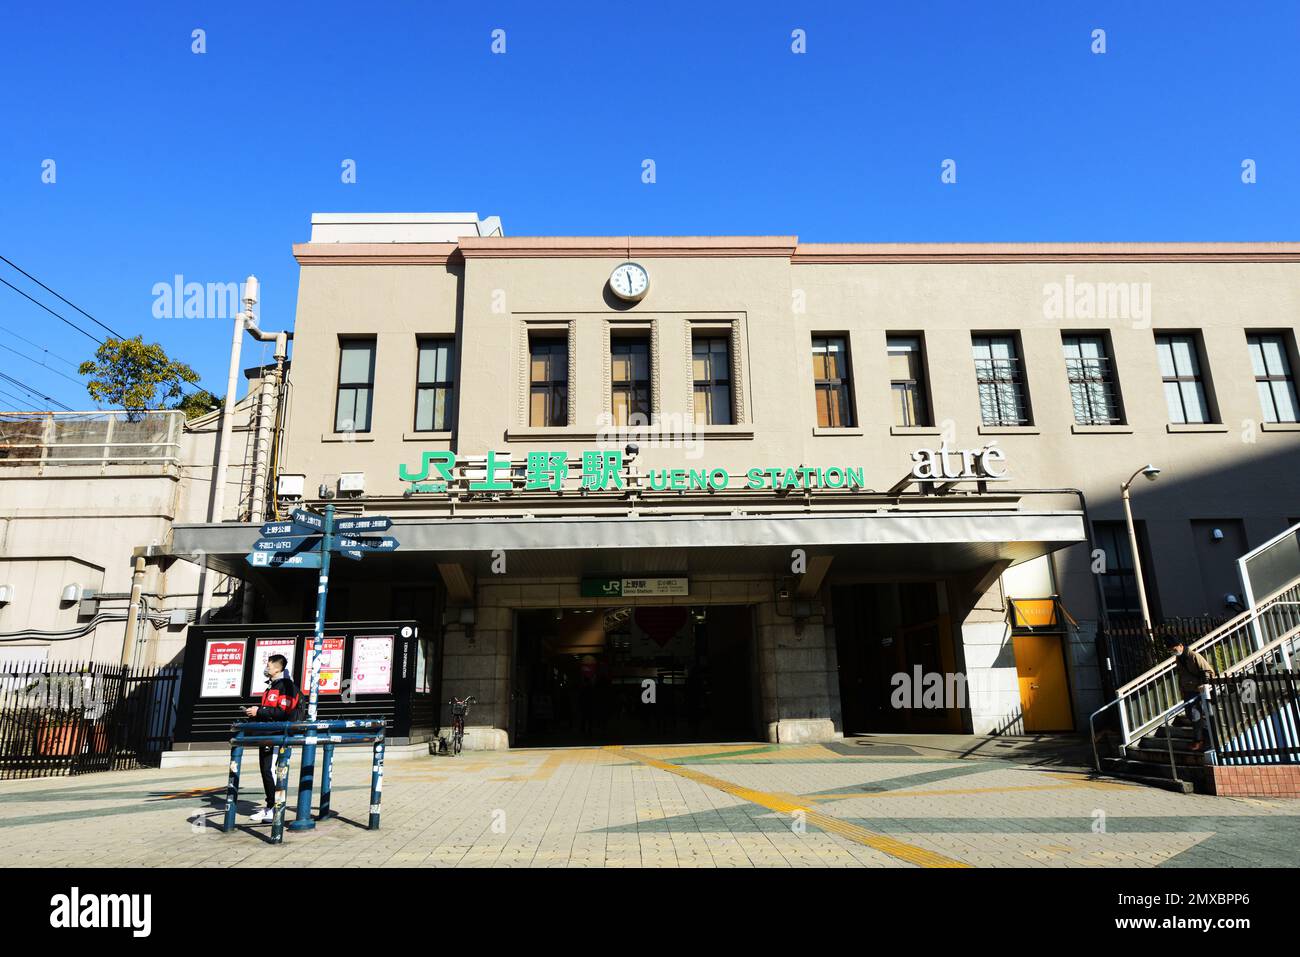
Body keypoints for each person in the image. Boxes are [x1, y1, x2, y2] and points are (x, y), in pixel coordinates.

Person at [241, 655, 300, 822]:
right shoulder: (271, 687)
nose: (266, 668)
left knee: (271, 770)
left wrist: (258, 711)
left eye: (268, 665)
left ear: (277, 668)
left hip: (277, 734)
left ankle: (275, 808)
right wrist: (255, 713)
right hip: (268, 733)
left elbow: (283, 711)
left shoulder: (286, 686)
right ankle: (270, 807)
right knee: (266, 770)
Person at [1166, 637, 1215, 751]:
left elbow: (1208, 671)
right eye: (1171, 651)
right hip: (1188, 691)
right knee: (1191, 715)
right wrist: (1182, 690)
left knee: (1198, 715)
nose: (1173, 652)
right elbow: (1181, 675)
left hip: (1198, 690)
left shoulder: (1193, 656)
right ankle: (1200, 739)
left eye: (1174, 649)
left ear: (1180, 645)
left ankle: (1202, 741)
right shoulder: (1179, 659)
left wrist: (1204, 685)